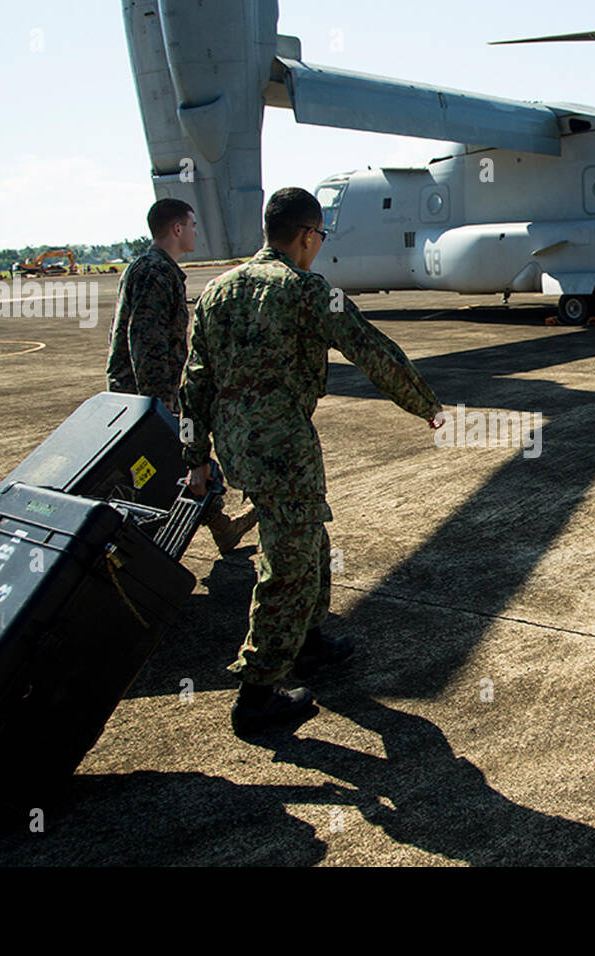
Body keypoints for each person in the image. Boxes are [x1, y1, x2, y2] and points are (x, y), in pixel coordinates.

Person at [179, 187, 446, 734]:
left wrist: (197, 458)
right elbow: (369, 348)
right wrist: (426, 405)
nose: (319, 248)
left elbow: (195, 383)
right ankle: (257, 695)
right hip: (282, 449)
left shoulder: (215, 292)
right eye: (320, 237)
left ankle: (309, 641)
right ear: (306, 236)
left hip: (237, 445)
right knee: (289, 563)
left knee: (307, 535)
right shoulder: (305, 291)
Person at [106, 198, 258, 554]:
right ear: (176, 229)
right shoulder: (156, 272)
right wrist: (159, 406)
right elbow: (146, 342)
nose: (195, 232)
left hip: (142, 393)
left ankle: (221, 527)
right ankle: (216, 528)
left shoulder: (151, 268)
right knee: (184, 459)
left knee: (169, 466)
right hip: (147, 395)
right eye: (191, 225)